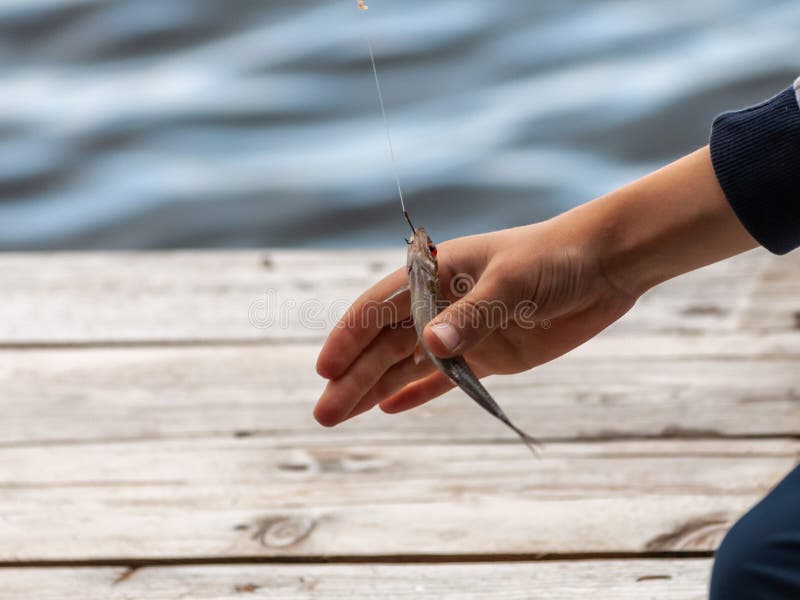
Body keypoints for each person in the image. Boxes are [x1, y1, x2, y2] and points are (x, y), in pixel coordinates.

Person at [313, 78, 800, 598]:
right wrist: (601, 256)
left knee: (756, 571)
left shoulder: (422, 268)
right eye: (423, 250)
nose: (422, 248)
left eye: (425, 250)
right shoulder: (422, 269)